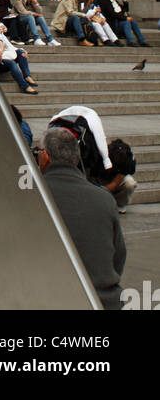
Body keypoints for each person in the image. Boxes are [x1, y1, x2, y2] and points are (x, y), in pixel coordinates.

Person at [38, 126, 126, 309]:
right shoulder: (105, 200)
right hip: (103, 302)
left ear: (45, 157)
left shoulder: (32, 198)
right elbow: (118, 258)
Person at [50, 105, 137, 214]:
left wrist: (116, 181)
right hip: (94, 179)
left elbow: (118, 180)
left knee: (129, 183)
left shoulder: (125, 157)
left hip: (108, 183)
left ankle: (119, 206)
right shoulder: (96, 151)